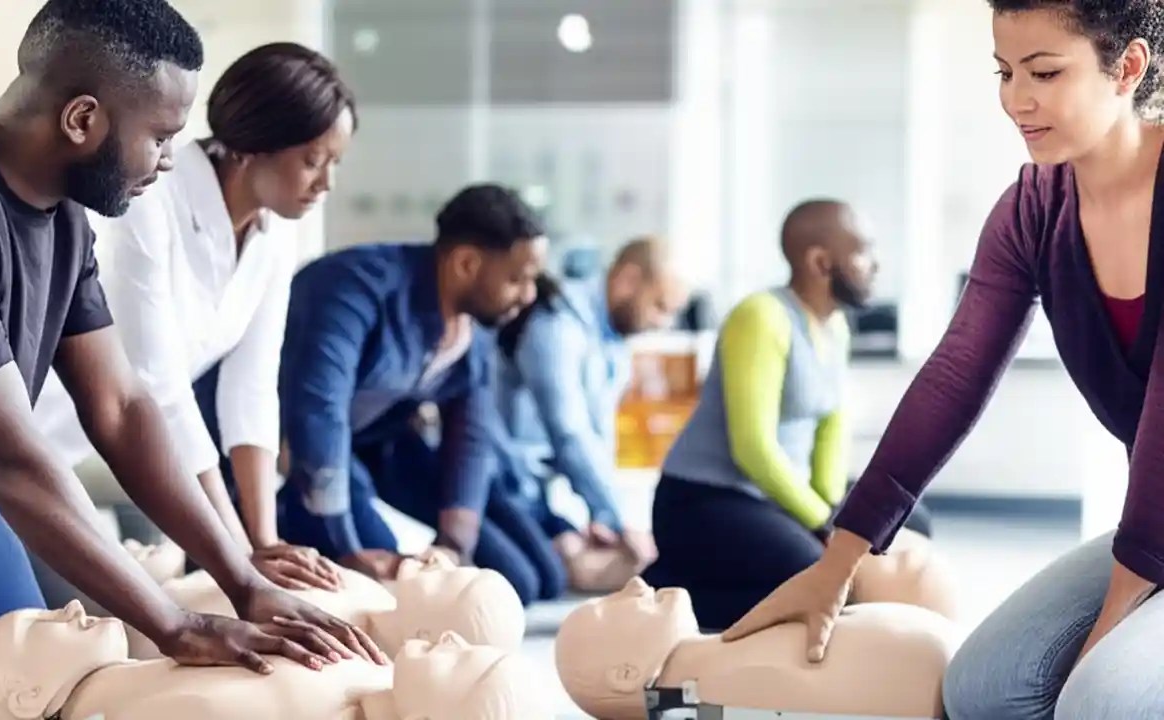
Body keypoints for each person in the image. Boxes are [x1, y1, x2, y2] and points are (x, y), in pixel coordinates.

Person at [0, 3, 382, 718]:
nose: (174, 158)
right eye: (163, 135)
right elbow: (3, 449)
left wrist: (242, 577)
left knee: (35, 693)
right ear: (81, 120)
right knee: (28, 696)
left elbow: (121, 406)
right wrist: (175, 623)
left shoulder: (61, 210)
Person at [723, 3, 1164, 718]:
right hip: (1156, 522)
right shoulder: (1033, 211)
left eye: (1046, 72)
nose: (1016, 99)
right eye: (1005, 72)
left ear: (1129, 67)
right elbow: (954, 377)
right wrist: (839, 563)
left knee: (1099, 700)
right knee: (982, 690)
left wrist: (1117, 616)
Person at [35, 41, 357, 592]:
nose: (325, 184)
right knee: (106, 617)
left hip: (111, 451)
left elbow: (251, 389)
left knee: (189, 592)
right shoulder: (149, 196)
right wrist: (236, 555)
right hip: (32, 442)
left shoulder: (275, 230)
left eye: (334, 164)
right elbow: (158, 386)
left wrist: (265, 542)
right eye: (312, 160)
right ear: (253, 145)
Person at [639, 200, 924, 630]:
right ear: (820, 262)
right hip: (703, 499)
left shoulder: (835, 326)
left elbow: (831, 424)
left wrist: (833, 510)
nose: (876, 265)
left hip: (773, 500)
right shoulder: (760, 317)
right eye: (863, 253)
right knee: (816, 575)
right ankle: (667, 590)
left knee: (908, 521)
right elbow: (752, 449)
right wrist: (821, 524)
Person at [277, 184, 566, 605]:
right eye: (516, 278)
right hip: (306, 449)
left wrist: (454, 544)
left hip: (383, 444)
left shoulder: (474, 325)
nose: (529, 295)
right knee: (396, 584)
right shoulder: (353, 286)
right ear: (466, 262)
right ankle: (292, 521)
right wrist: (347, 546)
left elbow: (470, 437)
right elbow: (319, 412)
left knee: (534, 579)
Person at [495, 237, 687, 586]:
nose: (664, 322)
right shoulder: (556, 324)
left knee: (628, 559)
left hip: (547, 495)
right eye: (660, 306)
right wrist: (617, 519)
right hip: (508, 486)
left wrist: (601, 514)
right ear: (628, 280)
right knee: (569, 570)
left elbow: (598, 440)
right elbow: (568, 433)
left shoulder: (613, 341)